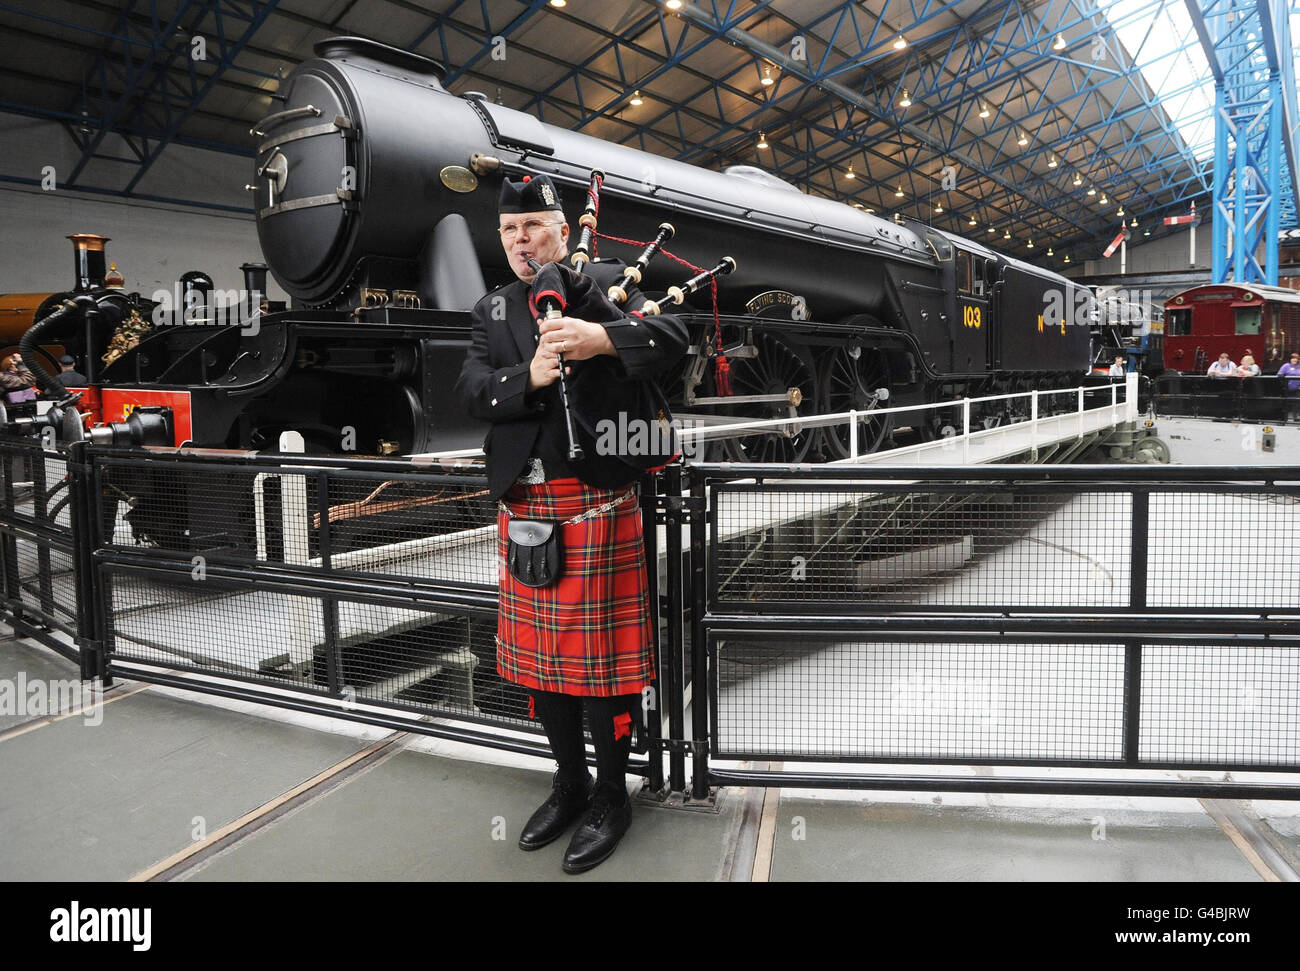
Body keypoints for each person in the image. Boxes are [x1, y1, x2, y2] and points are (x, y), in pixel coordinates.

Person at [454, 174, 687, 874]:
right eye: (507, 231)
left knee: (604, 675)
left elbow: (675, 339)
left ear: (561, 228)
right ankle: (569, 784)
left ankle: (613, 796)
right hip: (526, 508)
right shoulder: (493, 310)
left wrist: (602, 338)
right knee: (545, 671)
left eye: (531, 227)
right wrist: (524, 377)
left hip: (599, 506)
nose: (520, 242)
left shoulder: (608, 283)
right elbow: (468, 388)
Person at [1278, 351, 1300, 420]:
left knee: (1296, 403)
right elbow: (1279, 374)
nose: (1295, 360)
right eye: (1293, 358)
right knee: (1285, 404)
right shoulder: (1286, 366)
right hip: (1287, 389)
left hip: (1297, 389)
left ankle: (1295, 417)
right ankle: (1284, 418)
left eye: (1296, 358)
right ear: (1290, 359)